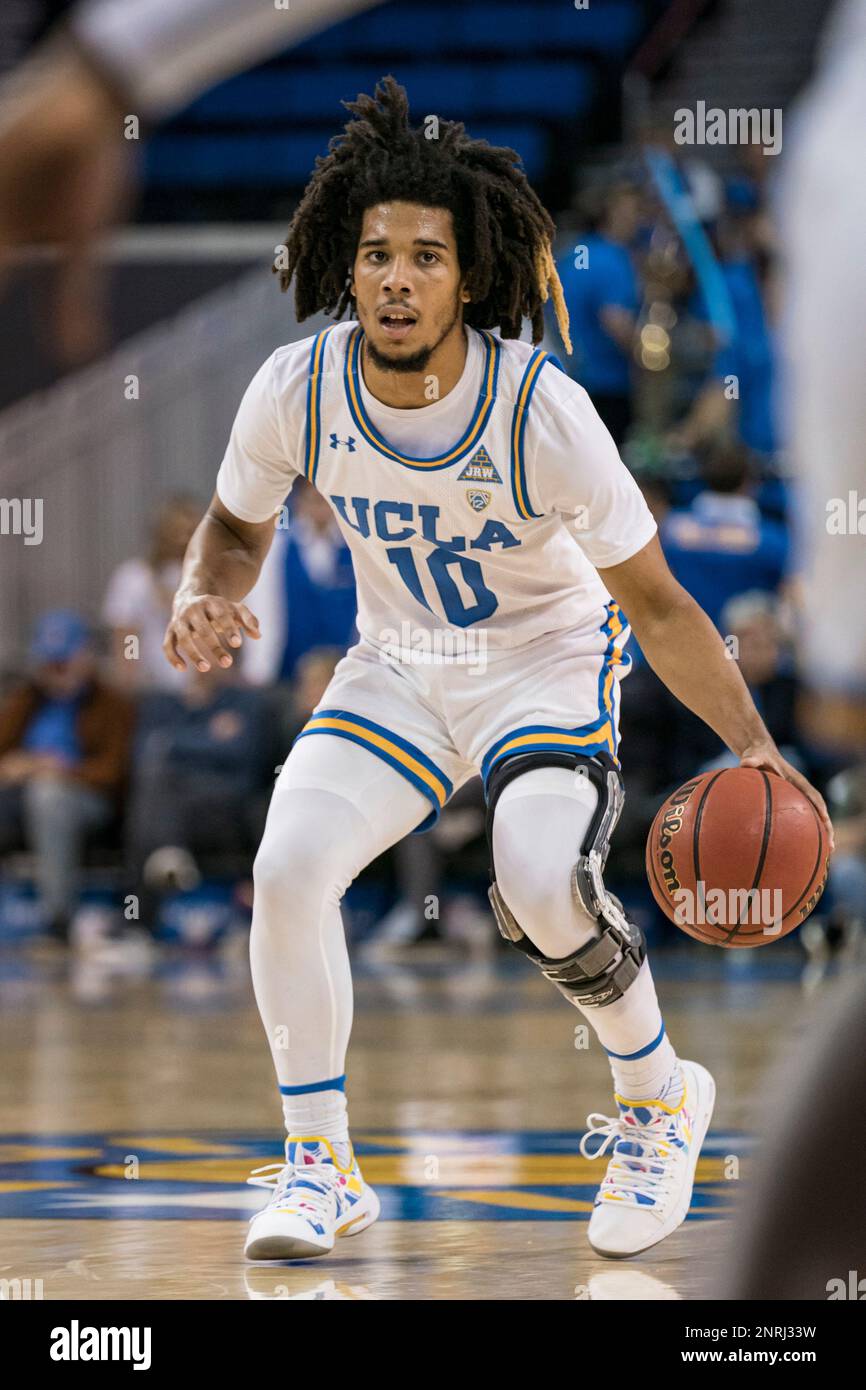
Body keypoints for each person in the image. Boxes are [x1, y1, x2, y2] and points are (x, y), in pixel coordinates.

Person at [161, 77, 831, 1265]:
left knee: (534, 874)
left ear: (468, 275)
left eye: (426, 255)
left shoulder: (540, 411)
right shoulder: (297, 389)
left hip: (546, 661)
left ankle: (656, 1097)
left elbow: (660, 604)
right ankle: (321, 1163)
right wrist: (203, 594)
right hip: (400, 668)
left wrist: (754, 748)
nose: (397, 277)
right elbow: (231, 526)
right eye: (376, 255)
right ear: (345, 267)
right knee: (289, 862)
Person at [0, 609, 133, 939]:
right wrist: (18, 766)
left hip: (87, 801)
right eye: (49, 662)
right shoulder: (25, 700)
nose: (56, 671)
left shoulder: (112, 703)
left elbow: (115, 772)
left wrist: (61, 770)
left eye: (64, 662)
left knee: (49, 795)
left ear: (86, 657)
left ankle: (57, 919)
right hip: (20, 797)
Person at [659, 441, 789, 632]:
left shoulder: (668, 531)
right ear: (750, 482)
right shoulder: (773, 541)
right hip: (748, 652)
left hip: (684, 640)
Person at [551, 179, 641, 446]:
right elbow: (615, 321)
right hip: (607, 387)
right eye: (633, 210)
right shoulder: (613, 259)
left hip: (569, 381)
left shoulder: (574, 254)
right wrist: (654, 358)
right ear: (612, 212)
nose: (638, 219)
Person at [102, 494, 201, 691]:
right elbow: (127, 634)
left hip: (197, 689)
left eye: (190, 531)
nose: (183, 540)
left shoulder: (208, 578)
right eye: (176, 531)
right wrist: (130, 674)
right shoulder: (133, 578)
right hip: (150, 688)